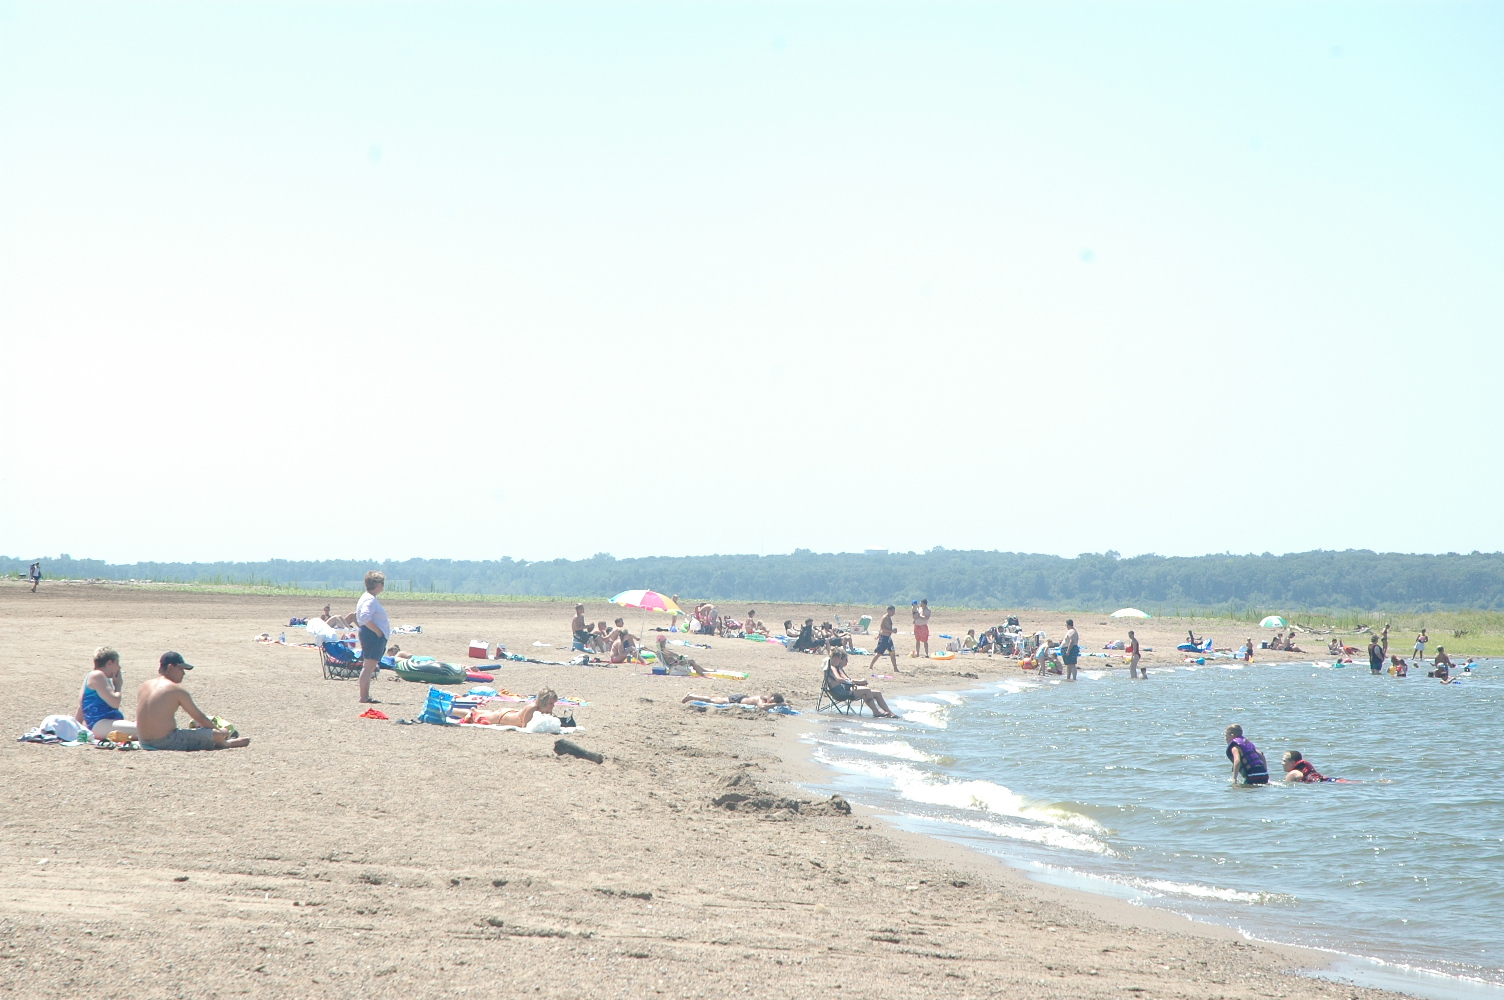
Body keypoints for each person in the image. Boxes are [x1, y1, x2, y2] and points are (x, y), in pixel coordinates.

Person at [135, 651, 249, 751]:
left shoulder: (145, 685)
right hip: (165, 741)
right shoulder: (175, 689)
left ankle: (222, 738)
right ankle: (226, 743)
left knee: (211, 732)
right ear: (170, 667)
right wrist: (218, 733)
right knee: (215, 734)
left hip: (143, 740)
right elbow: (199, 717)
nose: (183, 673)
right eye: (180, 669)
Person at [74, 646, 137, 740]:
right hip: (100, 724)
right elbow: (115, 703)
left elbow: (81, 707)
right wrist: (118, 686)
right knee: (143, 730)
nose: (119, 667)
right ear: (110, 663)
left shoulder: (94, 676)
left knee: (142, 728)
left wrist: (76, 728)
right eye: (117, 663)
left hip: (101, 725)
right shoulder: (97, 675)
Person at [824, 648, 897, 717]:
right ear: (835, 658)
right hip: (840, 693)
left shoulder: (837, 668)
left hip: (843, 690)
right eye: (840, 659)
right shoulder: (832, 667)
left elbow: (846, 679)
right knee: (866, 690)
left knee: (877, 693)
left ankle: (890, 713)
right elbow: (839, 679)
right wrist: (853, 682)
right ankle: (876, 712)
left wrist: (853, 682)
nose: (840, 661)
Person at [355, 571, 390, 704]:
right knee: (368, 667)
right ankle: (364, 697)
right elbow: (364, 616)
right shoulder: (369, 599)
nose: (383, 586)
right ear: (376, 584)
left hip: (370, 634)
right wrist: (378, 632)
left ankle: (365, 696)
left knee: (368, 667)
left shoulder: (367, 597)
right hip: (372, 636)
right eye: (382, 583)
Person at [459, 689, 559, 727]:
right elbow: (525, 726)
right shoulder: (532, 708)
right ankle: (452, 710)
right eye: (551, 703)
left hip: (510, 713)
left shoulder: (545, 709)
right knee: (473, 717)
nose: (553, 706)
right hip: (501, 717)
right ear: (544, 702)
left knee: (484, 713)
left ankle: (477, 710)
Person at [870, 606, 899, 672]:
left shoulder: (889, 618)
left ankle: (895, 668)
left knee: (892, 652)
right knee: (879, 653)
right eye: (892, 611)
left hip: (888, 638)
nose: (893, 613)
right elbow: (882, 628)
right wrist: (891, 631)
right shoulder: (885, 618)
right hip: (884, 638)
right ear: (888, 610)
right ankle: (871, 666)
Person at [680, 691, 786, 709]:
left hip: (740, 698)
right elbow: (762, 707)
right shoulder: (761, 699)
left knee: (715, 699)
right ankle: (691, 696)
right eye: (770, 701)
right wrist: (777, 704)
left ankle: (692, 696)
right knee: (713, 700)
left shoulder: (764, 698)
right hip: (737, 700)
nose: (769, 703)